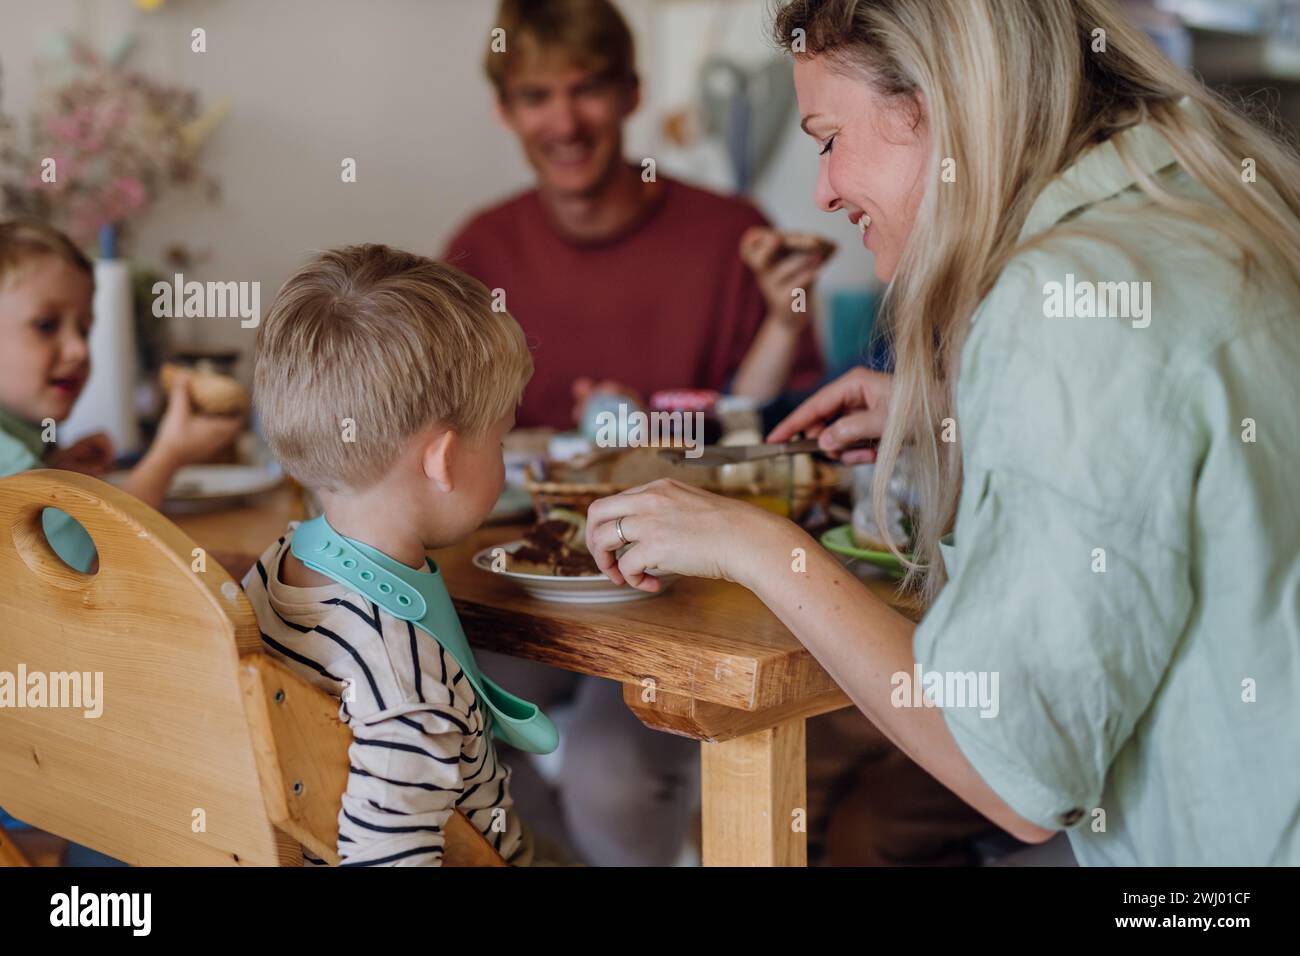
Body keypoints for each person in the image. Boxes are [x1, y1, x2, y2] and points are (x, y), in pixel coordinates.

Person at [584, 0, 1300, 865]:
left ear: (936, 99)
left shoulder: (1063, 304)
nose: (822, 191)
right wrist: (970, 420)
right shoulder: (1199, 204)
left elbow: (1014, 772)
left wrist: (758, 546)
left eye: (825, 137)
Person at [242, 244, 555, 866]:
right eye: (501, 437)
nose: (504, 453)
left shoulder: (278, 566)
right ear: (442, 461)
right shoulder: (408, 687)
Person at [443, 0, 826, 430]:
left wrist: (654, 430)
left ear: (632, 94)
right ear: (504, 110)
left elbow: (791, 427)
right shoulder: (475, 255)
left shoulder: (736, 236)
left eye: (588, 89)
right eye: (536, 96)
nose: (566, 124)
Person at [0, 218, 244, 861]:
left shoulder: (19, 442)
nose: (79, 350)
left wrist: (67, 469)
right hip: (22, 744)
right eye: (48, 325)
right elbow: (76, 556)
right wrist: (166, 456)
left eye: (85, 327)